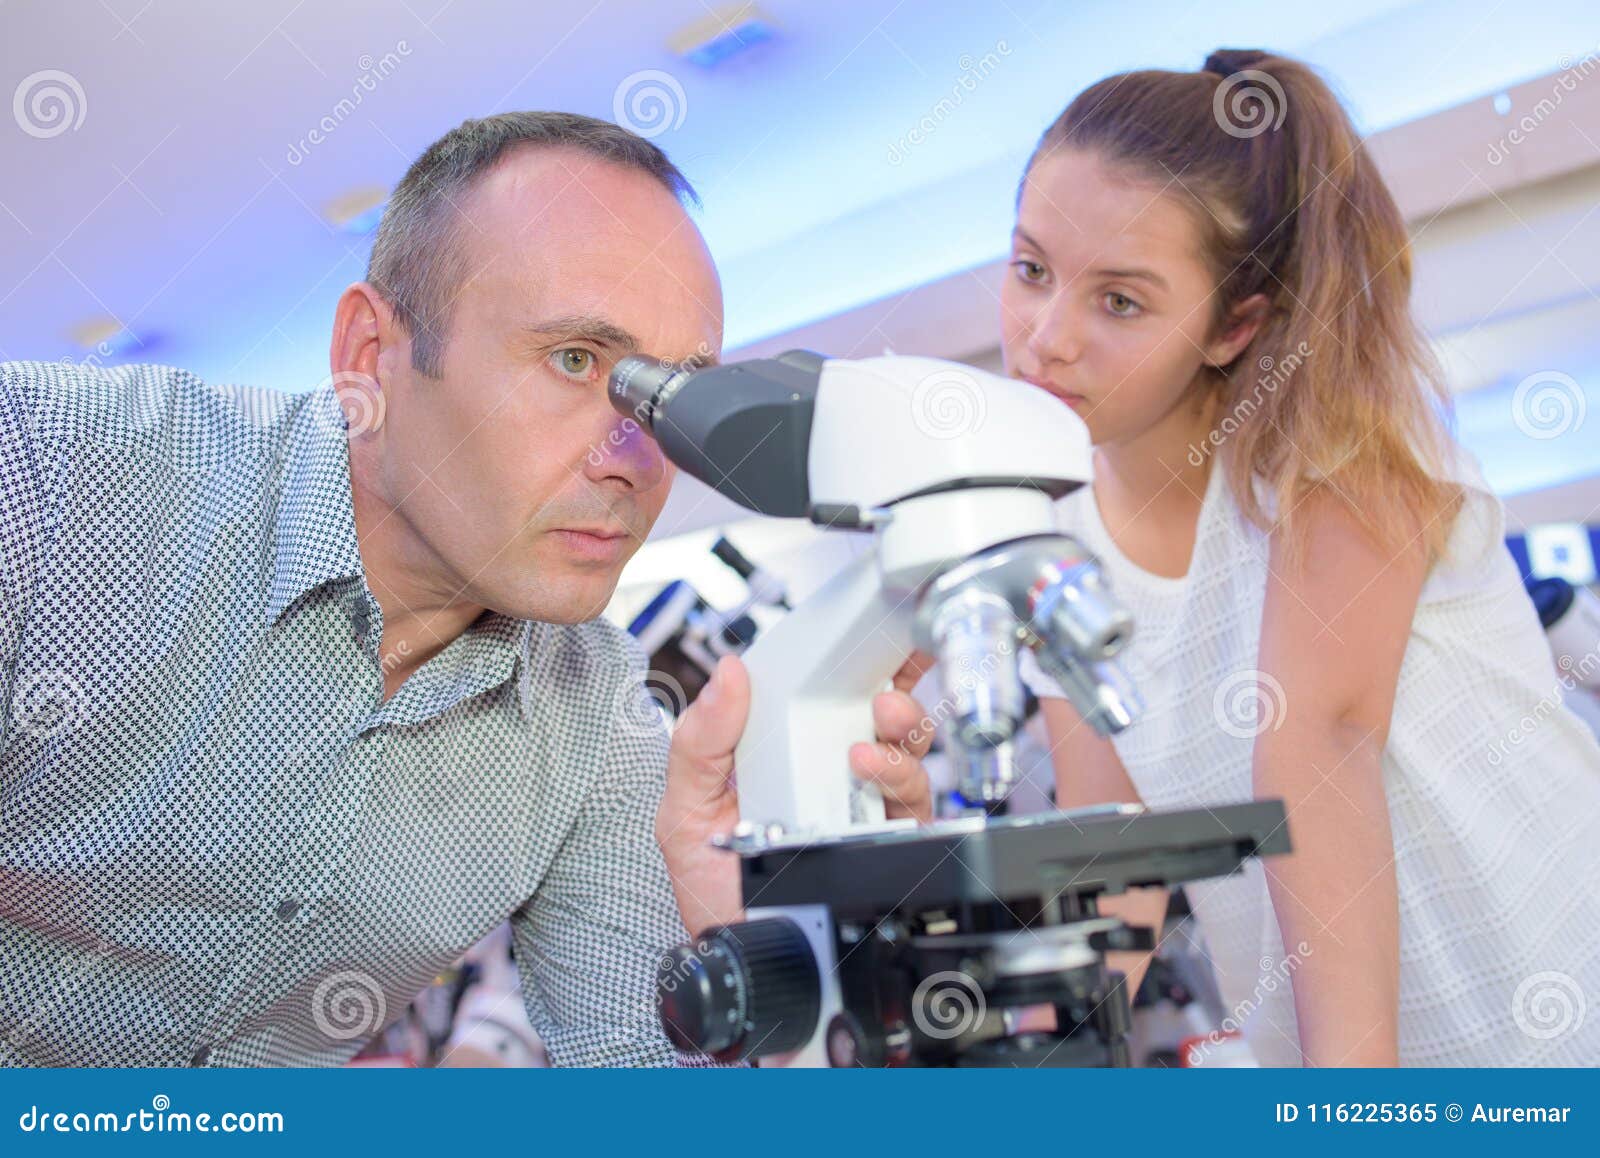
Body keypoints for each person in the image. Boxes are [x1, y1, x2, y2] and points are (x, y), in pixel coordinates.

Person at [0, 111, 930, 1067]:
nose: (638, 461)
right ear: (370, 355)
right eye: (576, 361)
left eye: (675, 395)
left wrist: (759, 957)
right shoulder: (48, 471)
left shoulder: (600, 719)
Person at [1001, 49, 1600, 1065]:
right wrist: (1033, 1068)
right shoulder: (1052, 545)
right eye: (1029, 270)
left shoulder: (1335, 450)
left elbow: (1312, 745)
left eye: (1120, 302)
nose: (1045, 337)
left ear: (1235, 325)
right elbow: (1114, 848)